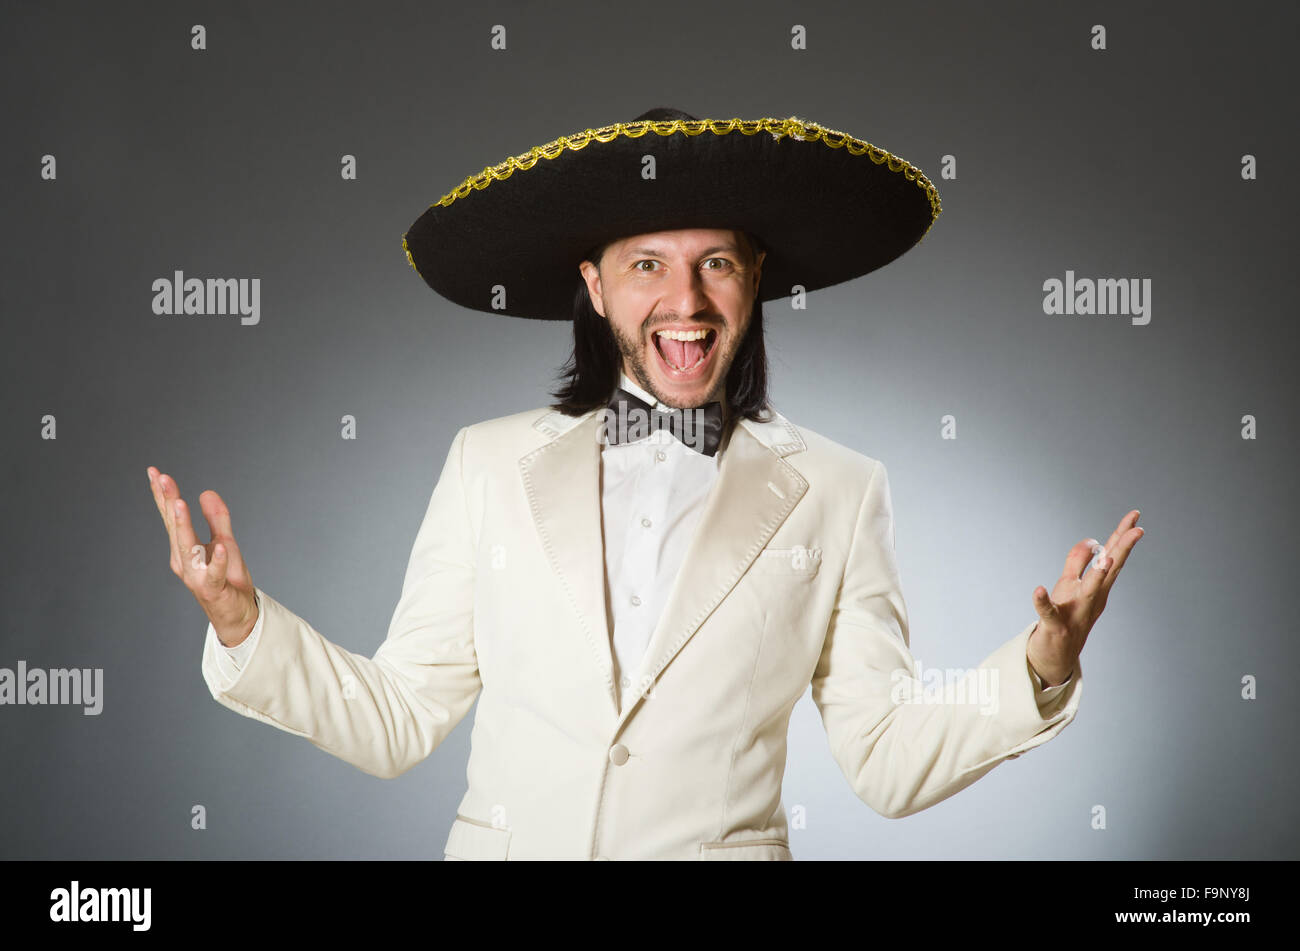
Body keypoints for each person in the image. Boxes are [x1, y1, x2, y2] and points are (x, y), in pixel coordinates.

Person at [147, 107, 1143, 860]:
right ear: (592, 285)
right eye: (646, 266)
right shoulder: (486, 462)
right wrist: (245, 628)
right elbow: (401, 716)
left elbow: (882, 755)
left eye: (716, 263)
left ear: (754, 279)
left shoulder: (842, 491)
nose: (685, 301)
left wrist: (1039, 667)